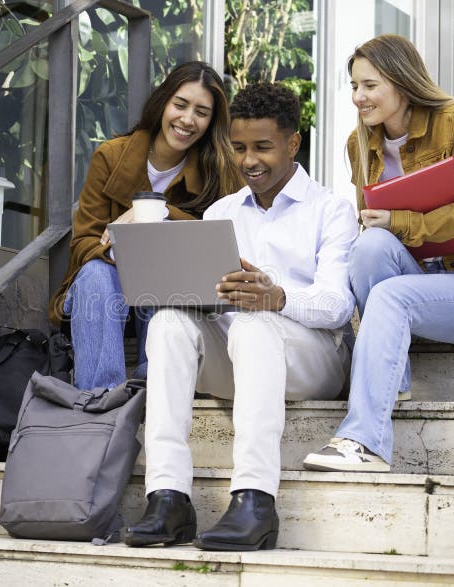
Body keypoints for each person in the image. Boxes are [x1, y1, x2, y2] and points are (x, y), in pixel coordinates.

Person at [123, 83, 358, 551]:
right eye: (239, 148)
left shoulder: (331, 210)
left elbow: (337, 306)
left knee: (253, 323)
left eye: (263, 148)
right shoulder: (222, 211)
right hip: (240, 353)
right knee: (169, 321)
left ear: (293, 143)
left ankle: (255, 499)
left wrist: (277, 297)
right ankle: (167, 497)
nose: (249, 160)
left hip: (313, 359)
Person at [303, 34, 454, 473]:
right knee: (368, 246)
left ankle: (365, 441)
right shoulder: (358, 143)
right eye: (354, 85)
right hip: (418, 281)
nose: (358, 97)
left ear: (401, 83)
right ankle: (391, 383)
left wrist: (404, 222)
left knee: (389, 292)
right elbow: (372, 227)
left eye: (369, 85)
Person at [48, 61, 243, 390]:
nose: (186, 120)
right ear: (163, 102)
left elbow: (225, 244)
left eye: (201, 112)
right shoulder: (111, 156)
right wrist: (128, 249)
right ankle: (101, 400)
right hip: (103, 291)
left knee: (161, 267)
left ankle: (156, 381)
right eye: (180, 105)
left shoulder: (220, 171)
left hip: (172, 296)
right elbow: (82, 244)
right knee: (98, 273)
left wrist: (158, 212)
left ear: (212, 121)